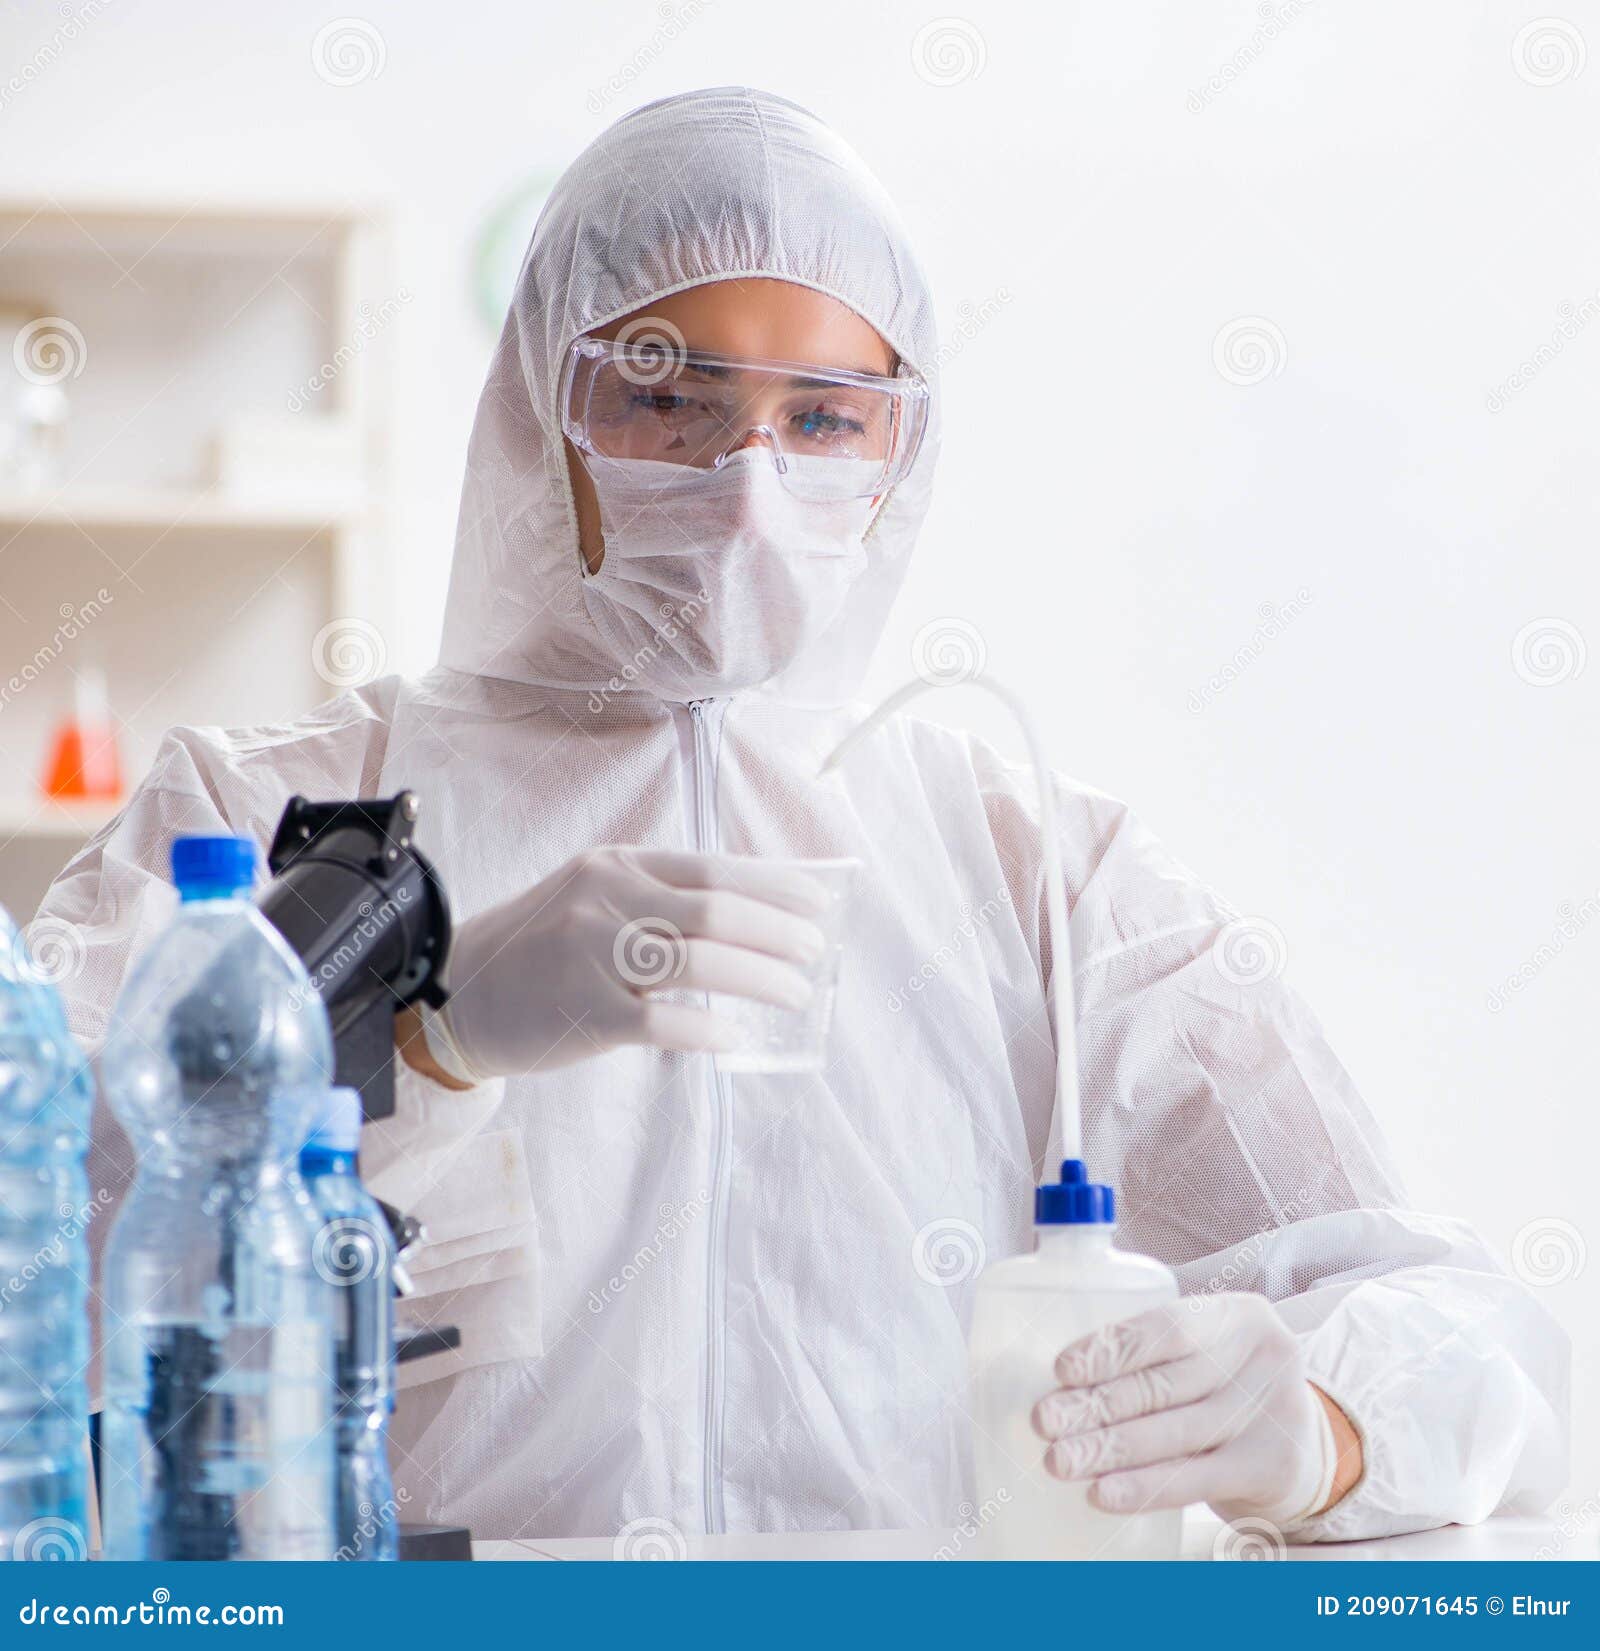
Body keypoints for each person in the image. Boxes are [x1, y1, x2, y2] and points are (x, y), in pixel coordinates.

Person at [40, 87, 1565, 1545]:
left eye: (823, 419)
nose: (746, 482)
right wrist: (417, 1043)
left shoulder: (1032, 869)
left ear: (901, 447)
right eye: (661, 392)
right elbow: (49, 1284)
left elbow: (1467, 1323)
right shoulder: (256, 814)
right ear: (540, 404)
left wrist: (1323, 1426)